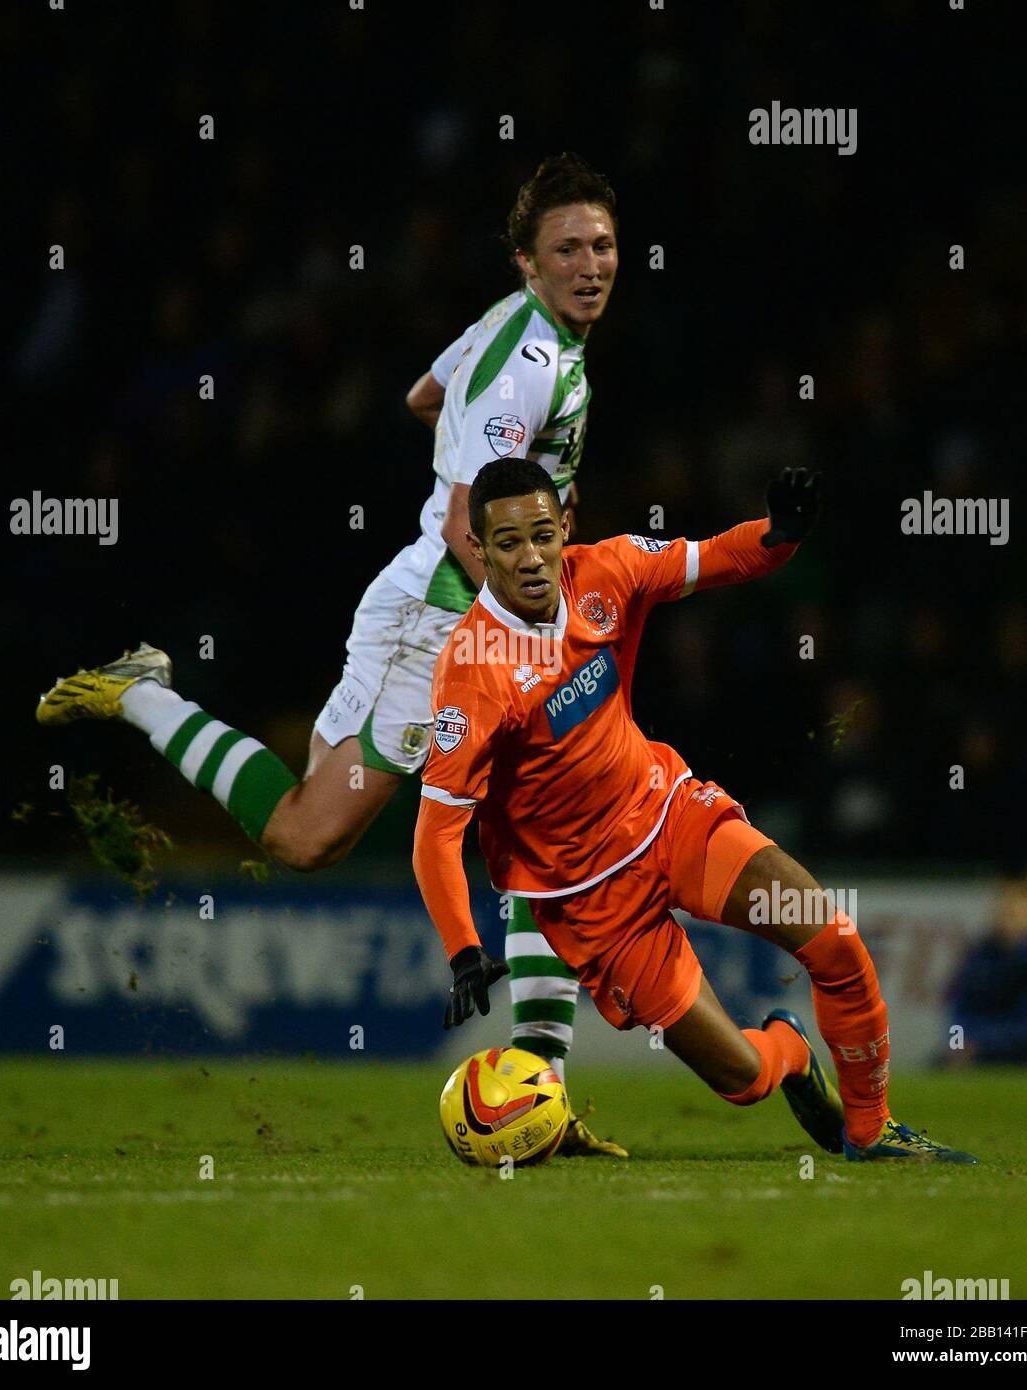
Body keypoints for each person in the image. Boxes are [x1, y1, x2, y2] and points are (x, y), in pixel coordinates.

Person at [35, 153, 626, 1154]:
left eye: (603, 245)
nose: (589, 264)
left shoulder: (519, 330)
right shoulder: (532, 360)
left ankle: (542, 1098)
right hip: (444, 622)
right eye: (566, 247)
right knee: (321, 836)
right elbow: (459, 517)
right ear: (528, 261)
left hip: (432, 608)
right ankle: (144, 696)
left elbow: (420, 396)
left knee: (510, 824)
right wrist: (529, 615)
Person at [412, 457, 978, 1163]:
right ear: (477, 549)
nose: (531, 558)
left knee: (831, 938)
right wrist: (464, 950)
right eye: (508, 543)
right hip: (590, 900)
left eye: (542, 535)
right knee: (742, 1079)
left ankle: (870, 1129)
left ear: (564, 529)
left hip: (668, 815)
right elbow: (436, 833)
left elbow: (719, 557)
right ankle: (793, 1052)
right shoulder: (470, 674)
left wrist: (783, 534)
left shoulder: (607, 571)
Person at [946, 869, 1027, 1066]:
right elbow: (959, 1010)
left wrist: (980, 1043)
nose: (1008, 906)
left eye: (1018, 899)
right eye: (1003, 898)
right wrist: (958, 1045)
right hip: (976, 1054)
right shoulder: (980, 954)